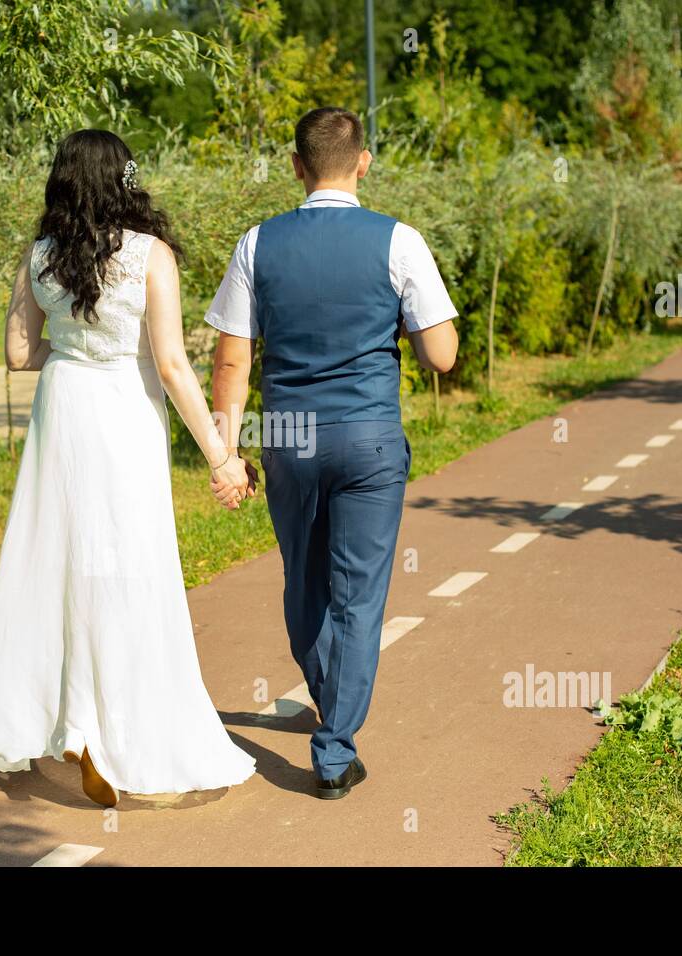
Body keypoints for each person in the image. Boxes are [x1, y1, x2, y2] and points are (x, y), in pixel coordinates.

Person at [0, 129, 257, 808]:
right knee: (128, 562)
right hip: (122, 409)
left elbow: (16, 353)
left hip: (64, 405)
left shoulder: (39, 255)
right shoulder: (151, 255)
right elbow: (173, 366)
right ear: (125, 179)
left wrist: (69, 344)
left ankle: (67, 720)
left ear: (60, 181)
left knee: (52, 561)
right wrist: (221, 457)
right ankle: (119, 729)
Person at [206, 107, 459, 799]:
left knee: (303, 579)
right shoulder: (399, 241)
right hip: (369, 435)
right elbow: (442, 354)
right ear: (364, 162)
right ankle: (335, 748)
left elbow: (231, 365)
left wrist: (225, 453)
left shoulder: (257, 243)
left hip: (288, 436)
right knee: (358, 595)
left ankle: (331, 697)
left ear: (296, 166)